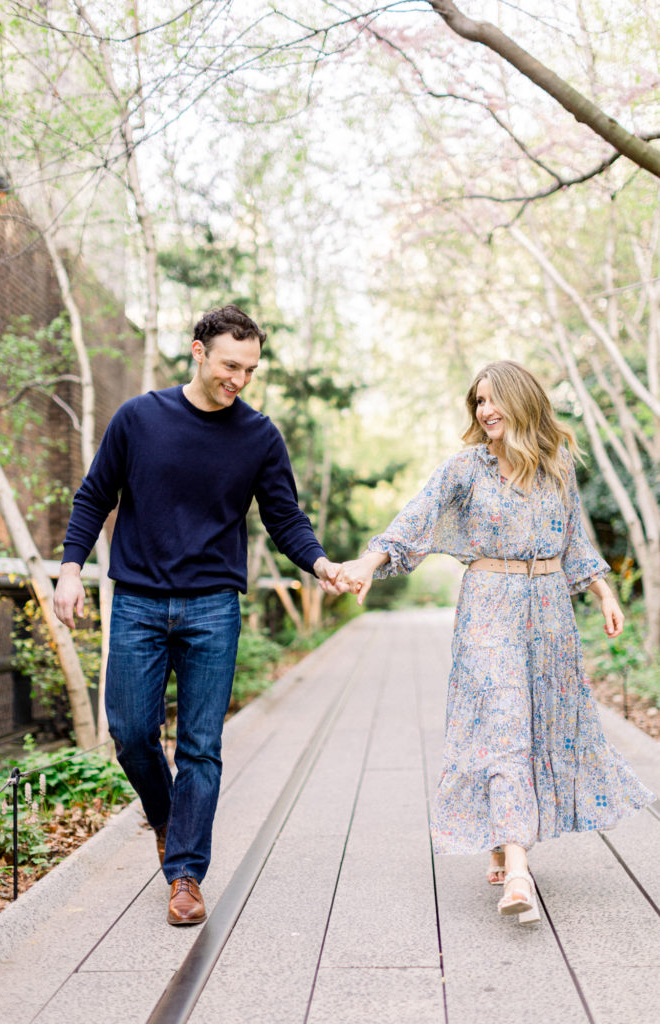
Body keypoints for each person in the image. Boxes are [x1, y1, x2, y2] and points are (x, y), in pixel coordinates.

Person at [53, 304, 344, 926]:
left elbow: (284, 516)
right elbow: (94, 494)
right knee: (130, 733)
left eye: (250, 369)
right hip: (137, 600)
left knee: (202, 748)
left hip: (213, 605)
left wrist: (320, 564)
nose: (238, 378)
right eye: (230, 365)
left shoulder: (259, 435)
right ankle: (167, 817)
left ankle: (185, 874)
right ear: (198, 351)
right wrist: (72, 567)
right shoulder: (139, 419)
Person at [336, 360, 655, 924]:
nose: (484, 411)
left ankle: (502, 840)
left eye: (492, 400)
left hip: (550, 608)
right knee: (503, 721)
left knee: (536, 724)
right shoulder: (466, 468)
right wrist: (367, 562)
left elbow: (576, 539)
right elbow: (417, 517)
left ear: (521, 402)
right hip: (488, 604)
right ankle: (518, 868)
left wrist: (603, 592)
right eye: (477, 402)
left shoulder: (557, 468)